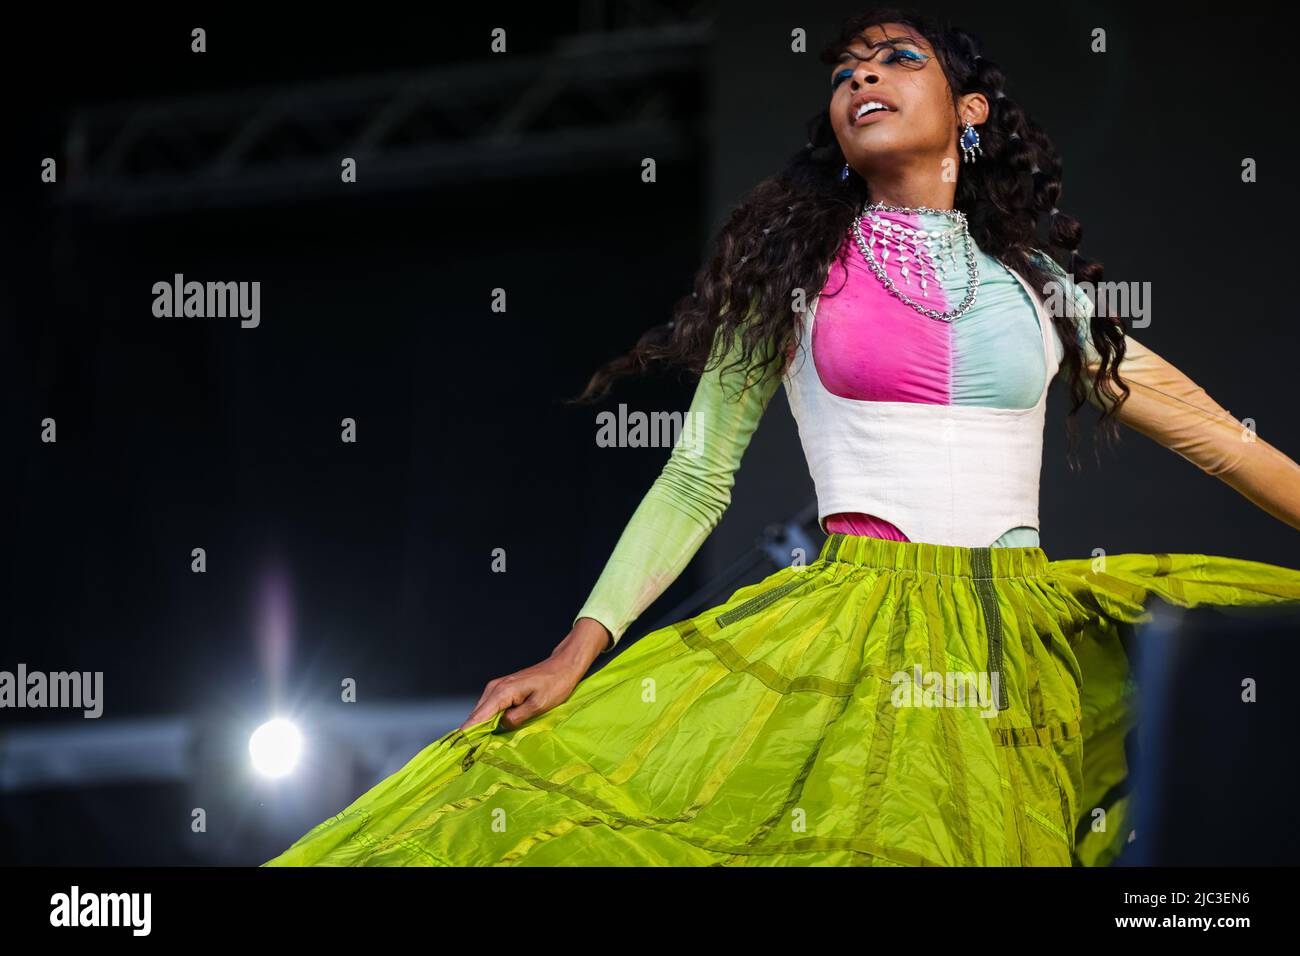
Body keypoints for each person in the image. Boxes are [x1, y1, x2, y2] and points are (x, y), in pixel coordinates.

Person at [263, 10, 1300, 867]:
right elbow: (697, 478)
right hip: (850, 628)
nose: (862, 78)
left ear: (969, 113)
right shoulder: (794, 278)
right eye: (845, 72)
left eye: (898, 60)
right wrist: (575, 649)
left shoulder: (1041, 293)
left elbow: (1225, 444)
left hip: (1011, 648)